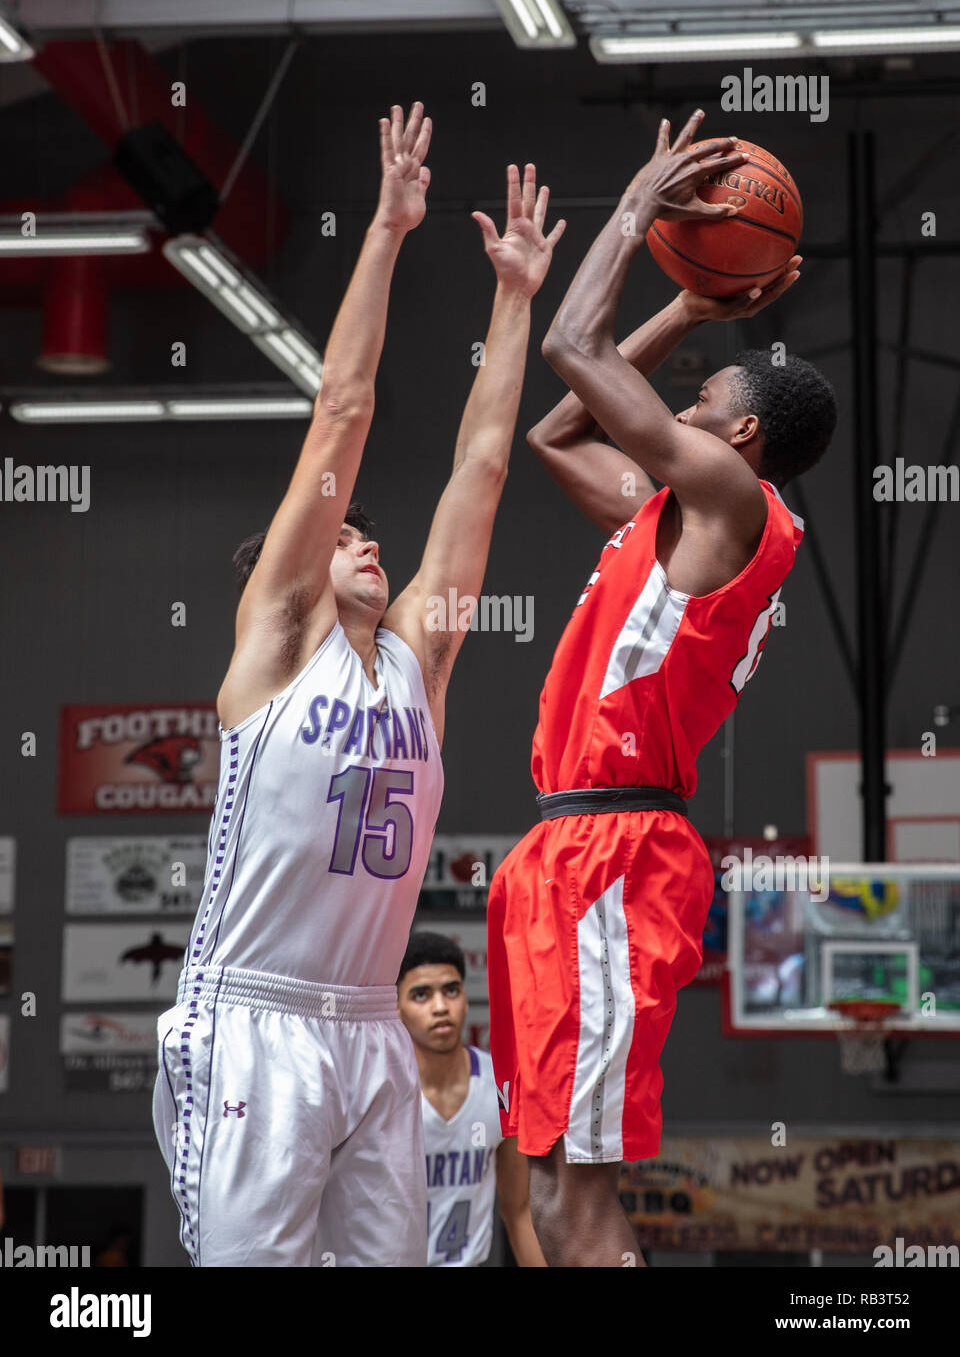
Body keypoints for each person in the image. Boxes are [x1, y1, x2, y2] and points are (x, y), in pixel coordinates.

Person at [152, 101, 564, 1267]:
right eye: (347, 537)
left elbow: (482, 467)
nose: (367, 542)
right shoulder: (281, 640)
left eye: (374, 537)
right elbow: (345, 406)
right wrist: (387, 229)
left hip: (369, 1026)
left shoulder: (420, 662)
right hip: (255, 1017)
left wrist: (515, 295)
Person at [486, 109, 837, 1267]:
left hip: (616, 857)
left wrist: (639, 209)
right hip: (570, 851)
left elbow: (570, 352)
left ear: (737, 434)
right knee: (543, 1184)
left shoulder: (733, 505)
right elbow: (557, 427)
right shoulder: (671, 521)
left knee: (579, 1200)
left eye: (693, 402)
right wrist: (687, 303)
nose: (673, 409)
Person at [397, 930, 546, 1267]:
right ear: (397, 1007)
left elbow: (519, 1210)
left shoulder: (500, 1086)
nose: (440, 1007)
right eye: (421, 995)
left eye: (451, 990)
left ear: (466, 998)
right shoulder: (382, 1092)